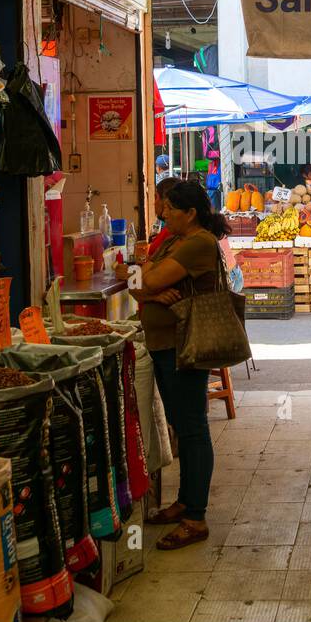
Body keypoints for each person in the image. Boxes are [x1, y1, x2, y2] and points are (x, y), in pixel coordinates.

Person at [117, 180, 228, 549]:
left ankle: (195, 516)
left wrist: (146, 279)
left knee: (193, 428)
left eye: (169, 208)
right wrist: (147, 284)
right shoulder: (170, 240)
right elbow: (132, 279)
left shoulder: (198, 242)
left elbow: (143, 276)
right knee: (182, 425)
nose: (163, 213)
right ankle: (184, 501)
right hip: (164, 343)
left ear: (190, 212)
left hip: (185, 345)